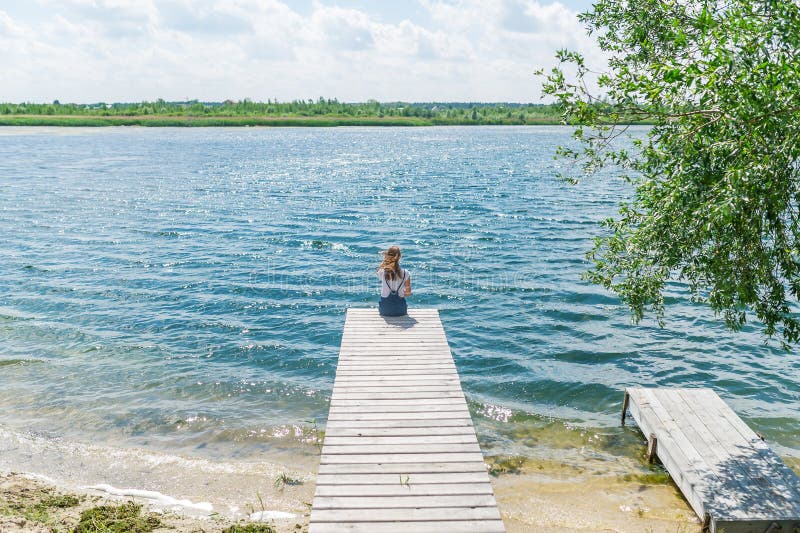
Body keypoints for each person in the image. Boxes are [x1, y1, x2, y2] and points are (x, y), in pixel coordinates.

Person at [376, 246, 411, 316]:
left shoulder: (382, 272)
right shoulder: (406, 273)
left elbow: (378, 271)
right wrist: (401, 293)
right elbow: (408, 294)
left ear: (387, 256)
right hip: (400, 311)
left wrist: (385, 260)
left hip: (385, 310)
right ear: (400, 257)